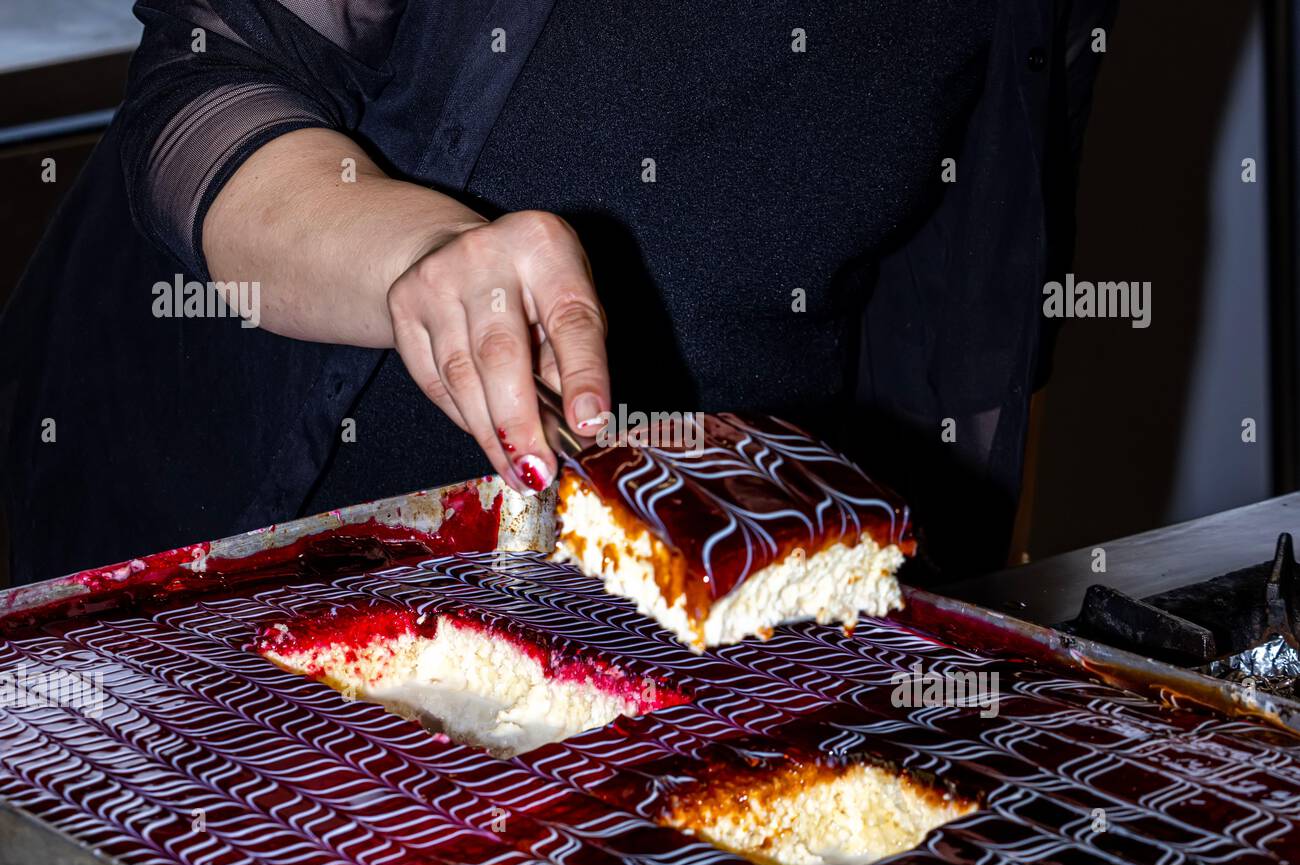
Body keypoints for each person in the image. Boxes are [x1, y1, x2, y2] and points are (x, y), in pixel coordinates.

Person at [0, 0, 1115, 586]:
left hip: (667, 577)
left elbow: (978, 290)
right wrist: (424, 255)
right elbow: (211, 76)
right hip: (243, 521)